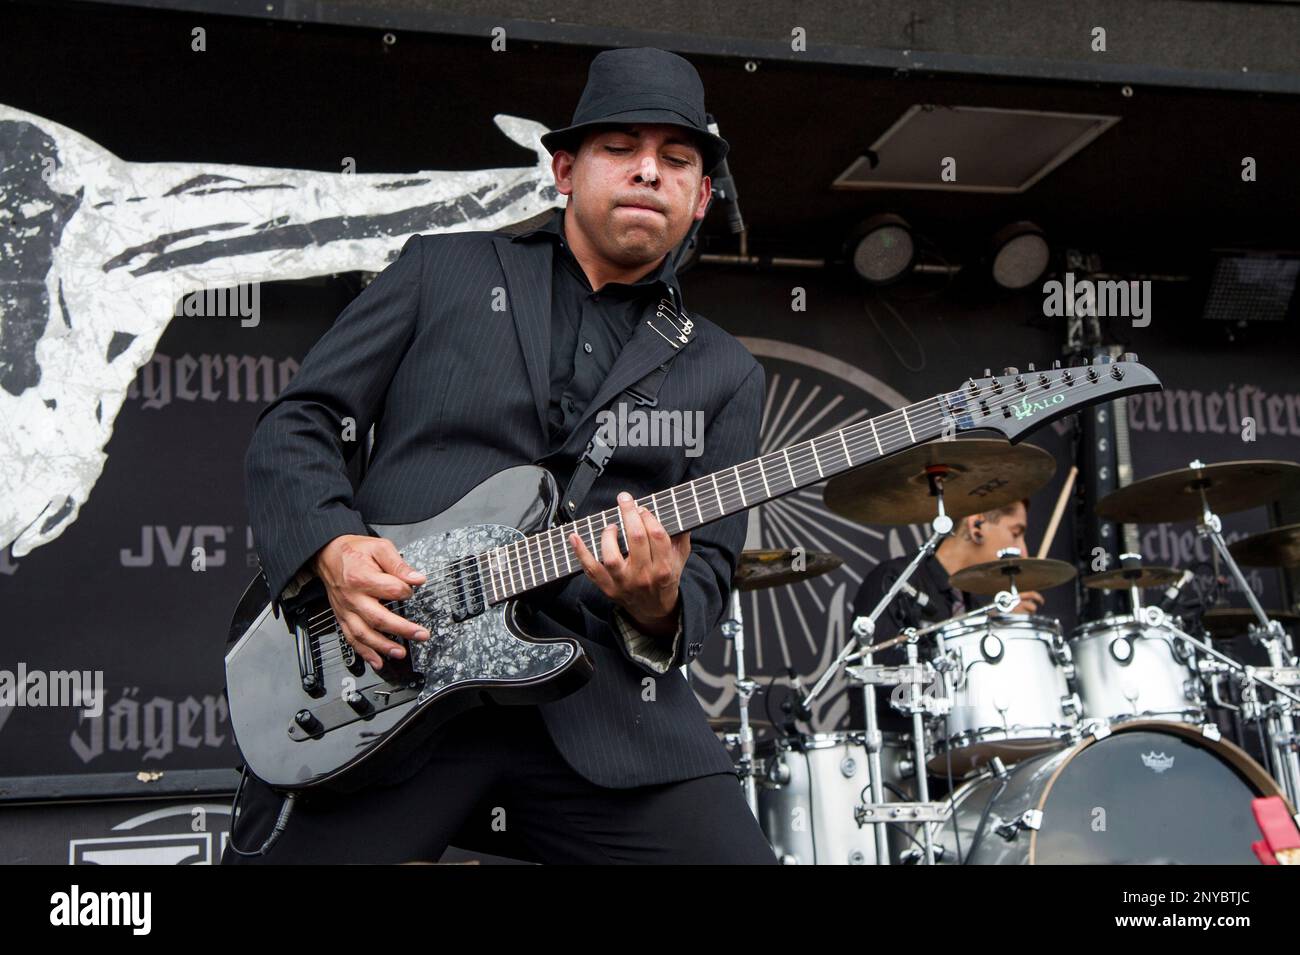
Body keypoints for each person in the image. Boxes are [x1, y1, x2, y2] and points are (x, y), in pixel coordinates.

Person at [222, 47, 776, 864]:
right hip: (393, 676)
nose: (649, 172)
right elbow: (299, 422)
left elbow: (707, 577)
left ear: (699, 201)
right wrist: (333, 551)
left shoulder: (725, 370)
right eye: (620, 148)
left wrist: (657, 602)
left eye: (678, 159)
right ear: (563, 169)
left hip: (606, 713)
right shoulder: (439, 271)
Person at [846, 500, 1042, 735]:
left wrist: (1004, 629)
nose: (1024, 552)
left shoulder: (976, 605)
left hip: (960, 759)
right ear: (976, 526)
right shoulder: (895, 582)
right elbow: (883, 681)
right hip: (896, 758)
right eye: (1015, 534)